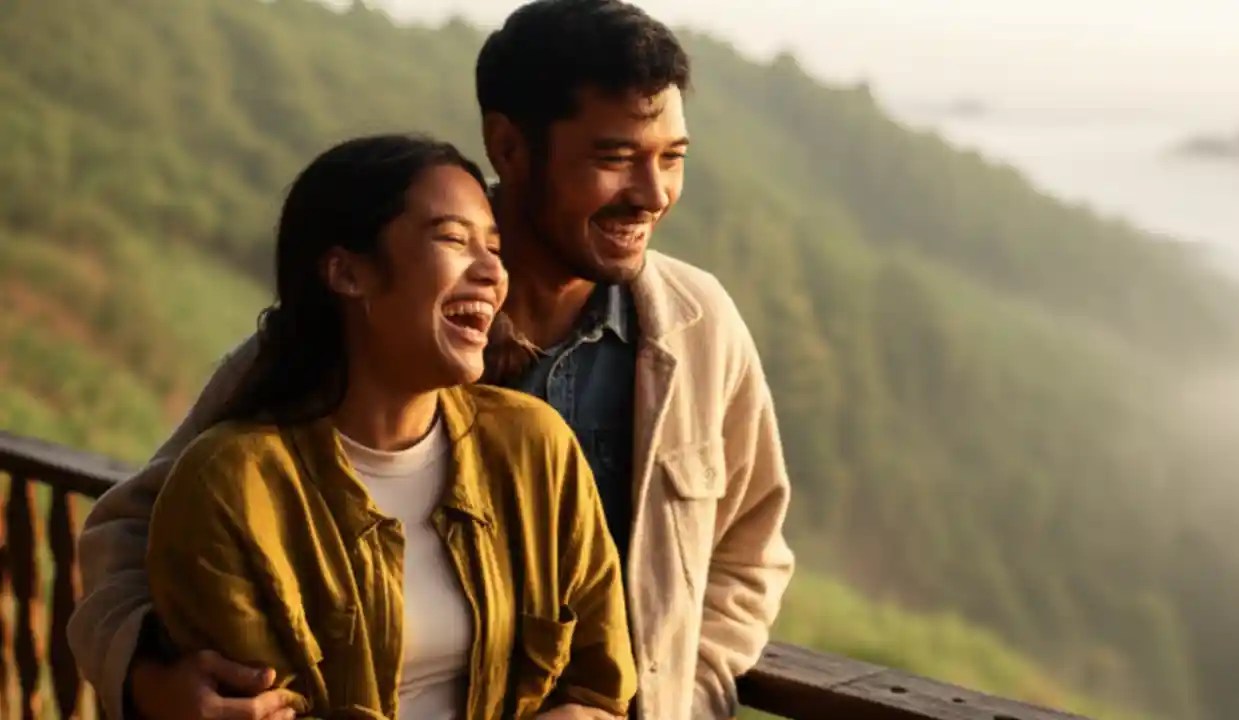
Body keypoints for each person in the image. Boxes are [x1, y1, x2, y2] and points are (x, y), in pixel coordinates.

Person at [69, 1, 794, 718]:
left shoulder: (699, 329)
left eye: (672, 159)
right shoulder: (355, 329)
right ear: (509, 147)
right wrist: (145, 681)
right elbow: (132, 528)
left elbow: (750, 554)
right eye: (613, 158)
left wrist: (680, 700)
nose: (653, 193)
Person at [78, 134, 636, 720]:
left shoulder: (536, 447)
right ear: (346, 272)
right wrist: (144, 681)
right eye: (452, 239)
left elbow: (598, 690)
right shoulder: (234, 484)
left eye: (494, 248)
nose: (493, 273)